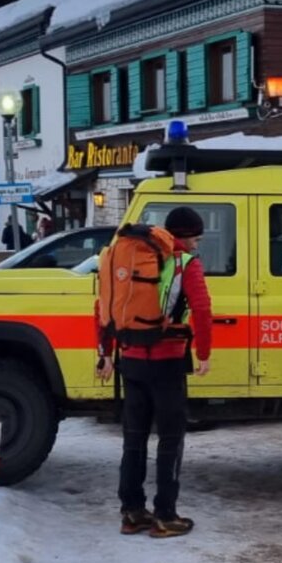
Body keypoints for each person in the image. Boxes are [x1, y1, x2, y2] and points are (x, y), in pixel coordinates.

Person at [97, 206, 211, 539]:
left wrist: (104, 352)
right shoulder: (185, 265)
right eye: (195, 239)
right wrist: (203, 353)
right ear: (184, 237)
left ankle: (132, 513)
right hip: (168, 360)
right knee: (171, 439)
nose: (196, 246)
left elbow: (102, 306)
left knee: (134, 439)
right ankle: (165, 515)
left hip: (130, 358)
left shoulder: (125, 258)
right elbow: (202, 309)